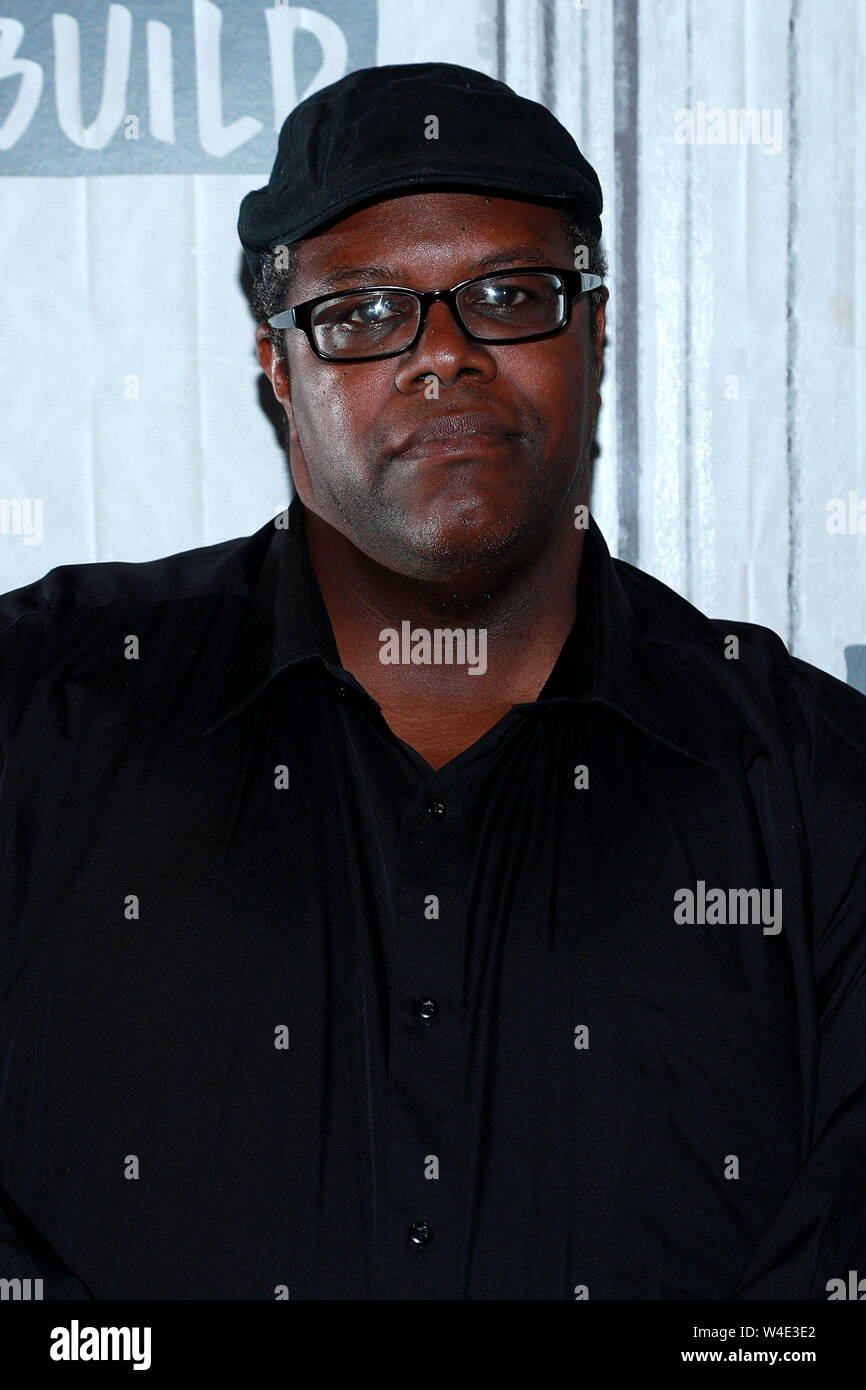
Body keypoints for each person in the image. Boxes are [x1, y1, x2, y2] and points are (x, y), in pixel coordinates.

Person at [1, 62, 864, 1302]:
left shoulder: (813, 789)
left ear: (595, 331)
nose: (443, 357)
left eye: (508, 294)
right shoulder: (37, 711)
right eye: (360, 313)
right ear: (276, 366)